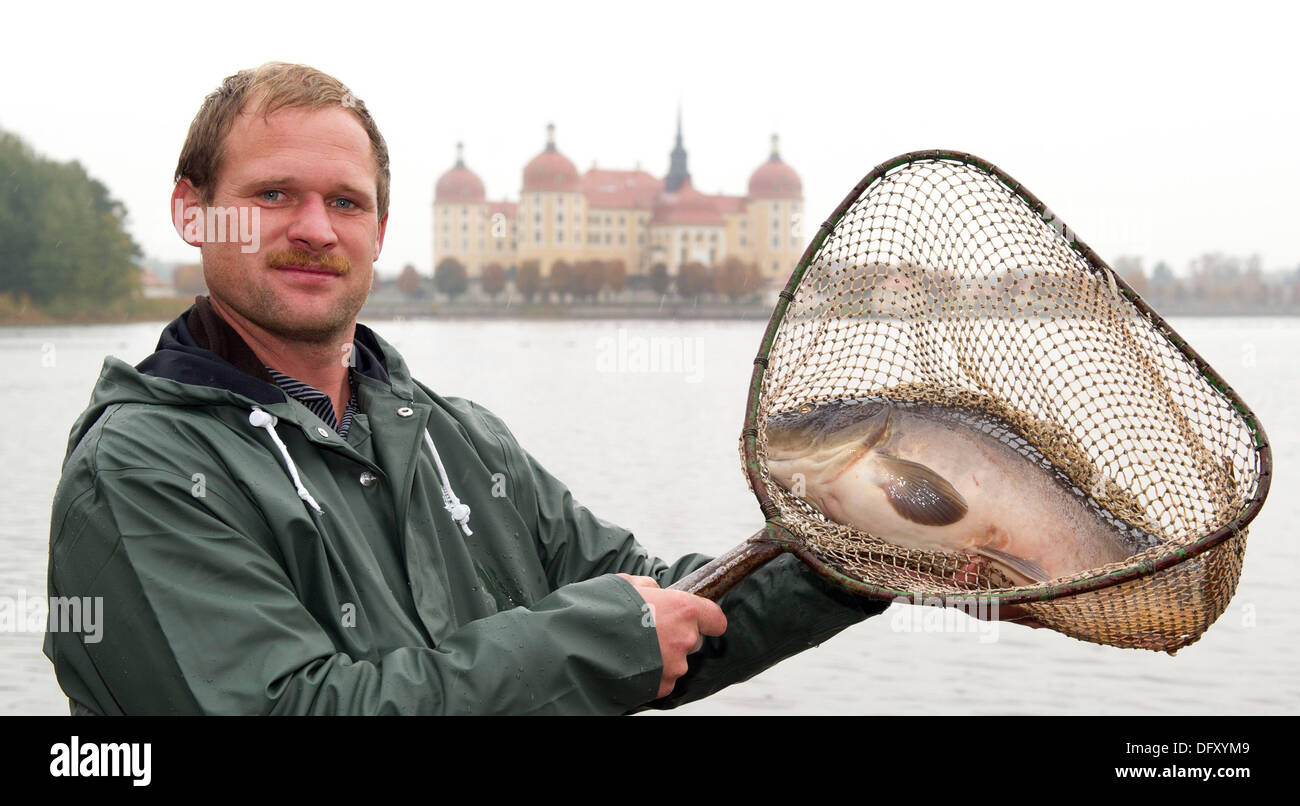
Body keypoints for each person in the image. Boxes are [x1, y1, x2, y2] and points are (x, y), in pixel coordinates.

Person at [43, 62, 885, 715]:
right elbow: (286, 705)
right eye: (273, 196)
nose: (313, 228)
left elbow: (669, 607)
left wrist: (861, 555)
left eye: (345, 201)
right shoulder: (139, 469)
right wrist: (599, 639)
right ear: (193, 212)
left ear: (379, 230)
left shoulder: (454, 438)